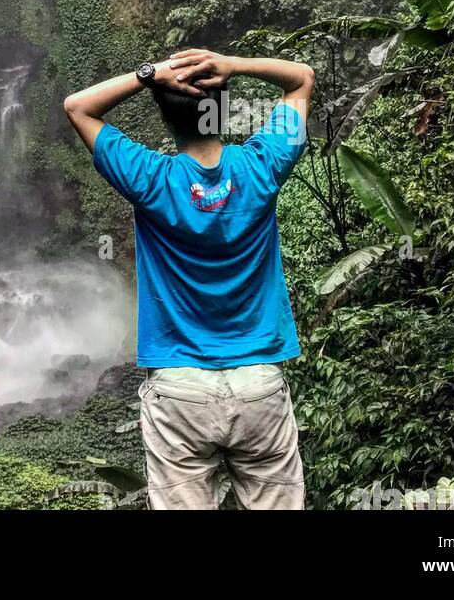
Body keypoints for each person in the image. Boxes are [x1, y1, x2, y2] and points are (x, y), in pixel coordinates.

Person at [63, 47, 315, 510]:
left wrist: (150, 74)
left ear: (163, 115)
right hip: (258, 379)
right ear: (221, 110)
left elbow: (77, 106)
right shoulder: (261, 166)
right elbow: (300, 79)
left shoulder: (149, 178)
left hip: (178, 387)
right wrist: (232, 65)